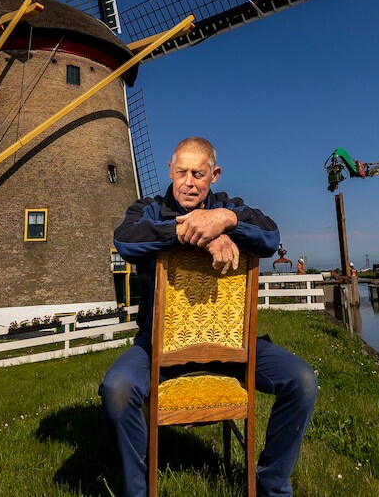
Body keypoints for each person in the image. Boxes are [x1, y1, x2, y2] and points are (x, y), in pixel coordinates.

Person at [100, 136, 318, 497]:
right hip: (159, 348)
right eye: (181, 172)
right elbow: (126, 240)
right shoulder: (148, 209)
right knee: (117, 389)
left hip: (231, 348)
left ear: (214, 174)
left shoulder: (230, 207)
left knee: (302, 381)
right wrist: (191, 233)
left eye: (198, 173)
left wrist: (224, 219)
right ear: (170, 171)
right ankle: (137, 490)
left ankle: (272, 485)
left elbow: (270, 234)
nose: (189, 181)